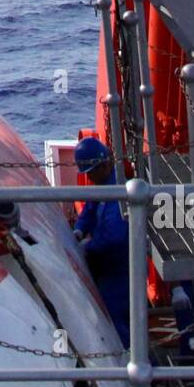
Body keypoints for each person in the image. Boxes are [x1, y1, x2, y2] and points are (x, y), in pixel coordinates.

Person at [71, 136, 130, 347]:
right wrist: (79, 229)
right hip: (107, 267)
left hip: (120, 270)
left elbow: (114, 237)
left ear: (103, 166)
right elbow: (90, 209)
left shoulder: (117, 192)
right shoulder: (103, 185)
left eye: (91, 173)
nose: (90, 178)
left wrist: (88, 247)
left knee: (115, 319)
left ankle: (132, 361)